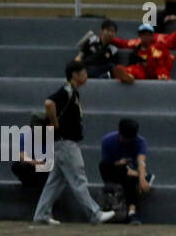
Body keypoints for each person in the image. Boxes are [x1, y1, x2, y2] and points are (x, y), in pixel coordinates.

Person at [31, 61, 118, 225]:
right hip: (66, 142)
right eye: (83, 72)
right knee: (78, 178)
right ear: (75, 75)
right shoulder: (67, 90)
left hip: (63, 142)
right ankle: (94, 213)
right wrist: (54, 122)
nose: (86, 76)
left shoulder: (73, 93)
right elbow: (49, 103)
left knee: (55, 181)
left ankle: (41, 215)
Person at [99, 118, 152, 224]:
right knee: (104, 166)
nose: (127, 141)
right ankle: (139, 175)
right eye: (125, 139)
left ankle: (132, 213)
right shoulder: (108, 141)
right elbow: (108, 164)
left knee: (131, 180)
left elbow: (141, 161)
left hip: (131, 173)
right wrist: (120, 164)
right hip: (115, 171)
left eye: (130, 139)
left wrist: (141, 178)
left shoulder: (139, 142)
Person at [10, 113, 50, 191]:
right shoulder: (25, 136)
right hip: (34, 164)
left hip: (46, 166)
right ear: (31, 127)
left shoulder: (52, 136)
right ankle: (28, 181)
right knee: (18, 165)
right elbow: (21, 156)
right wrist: (35, 163)